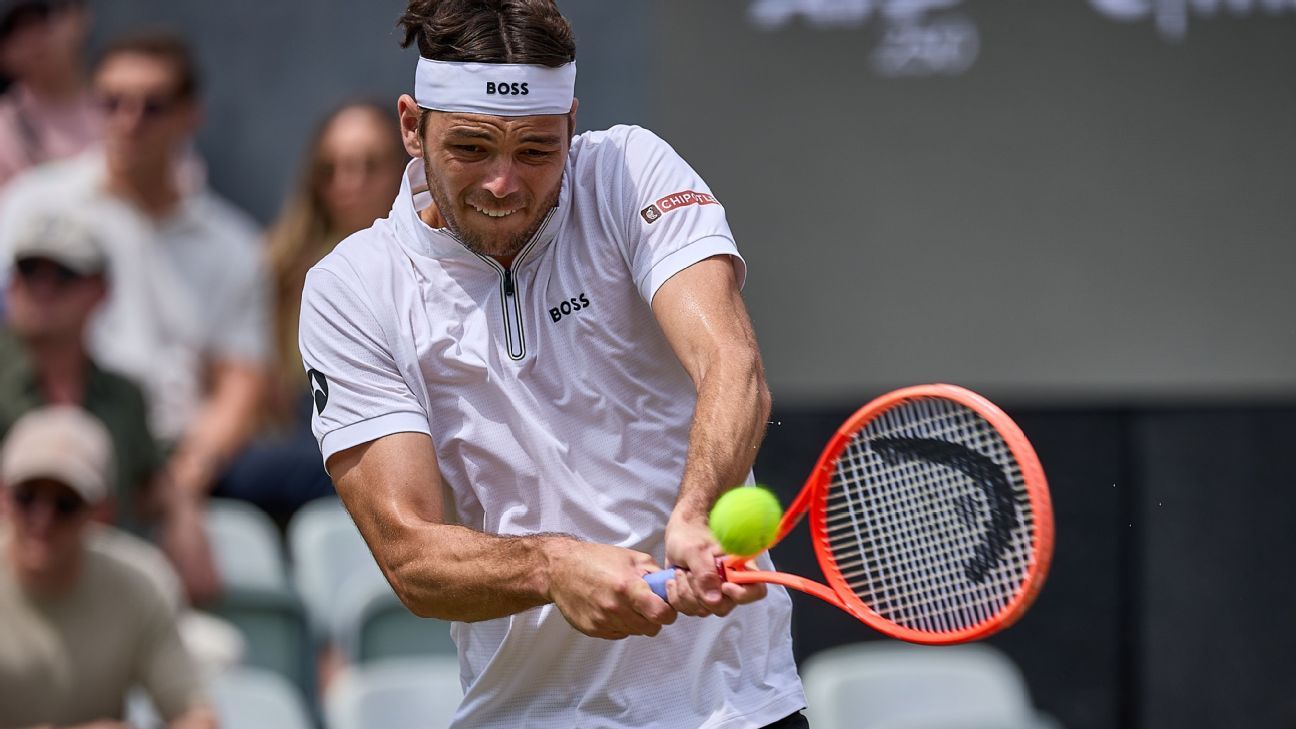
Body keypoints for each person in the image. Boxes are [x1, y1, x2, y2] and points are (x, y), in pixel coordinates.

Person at [298, 1, 806, 726]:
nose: (504, 183)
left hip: (737, 709)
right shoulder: (351, 288)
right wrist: (553, 565)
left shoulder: (629, 169)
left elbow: (731, 364)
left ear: (571, 123)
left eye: (536, 151)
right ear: (412, 126)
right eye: (472, 148)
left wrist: (694, 515)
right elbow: (408, 554)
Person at [0, 30, 270, 592]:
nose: (128, 119)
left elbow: (241, 384)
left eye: (151, 105)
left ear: (189, 114)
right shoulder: (32, 203)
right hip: (42, 435)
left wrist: (182, 480)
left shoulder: (232, 244)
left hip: (172, 452)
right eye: (111, 102)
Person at [0, 212, 220, 601]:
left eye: (63, 274)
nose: (42, 287)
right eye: (30, 270)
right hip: (12, 590)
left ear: (101, 290)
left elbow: (153, 478)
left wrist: (183, 516)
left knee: (218, 649)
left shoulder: (123, 394)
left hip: (101, 592)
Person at [217, 102, 407, 521]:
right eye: (331, 169)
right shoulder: (278, 265)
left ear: (403, 166)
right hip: (305, 429)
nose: (348, 183)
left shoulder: (427, 262)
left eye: (368, 165)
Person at [0, 405, 216, 728]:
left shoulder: (140, 583)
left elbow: (196, 715)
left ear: (101, 512)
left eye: (65, 503)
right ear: (3, 497)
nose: (42, 519)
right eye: (27, 497)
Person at [0, 0, 98, 190]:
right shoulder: (5, 125)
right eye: (12, 30)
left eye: (41, 17)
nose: (30, 37)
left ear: (78, 18)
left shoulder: (129, 106)